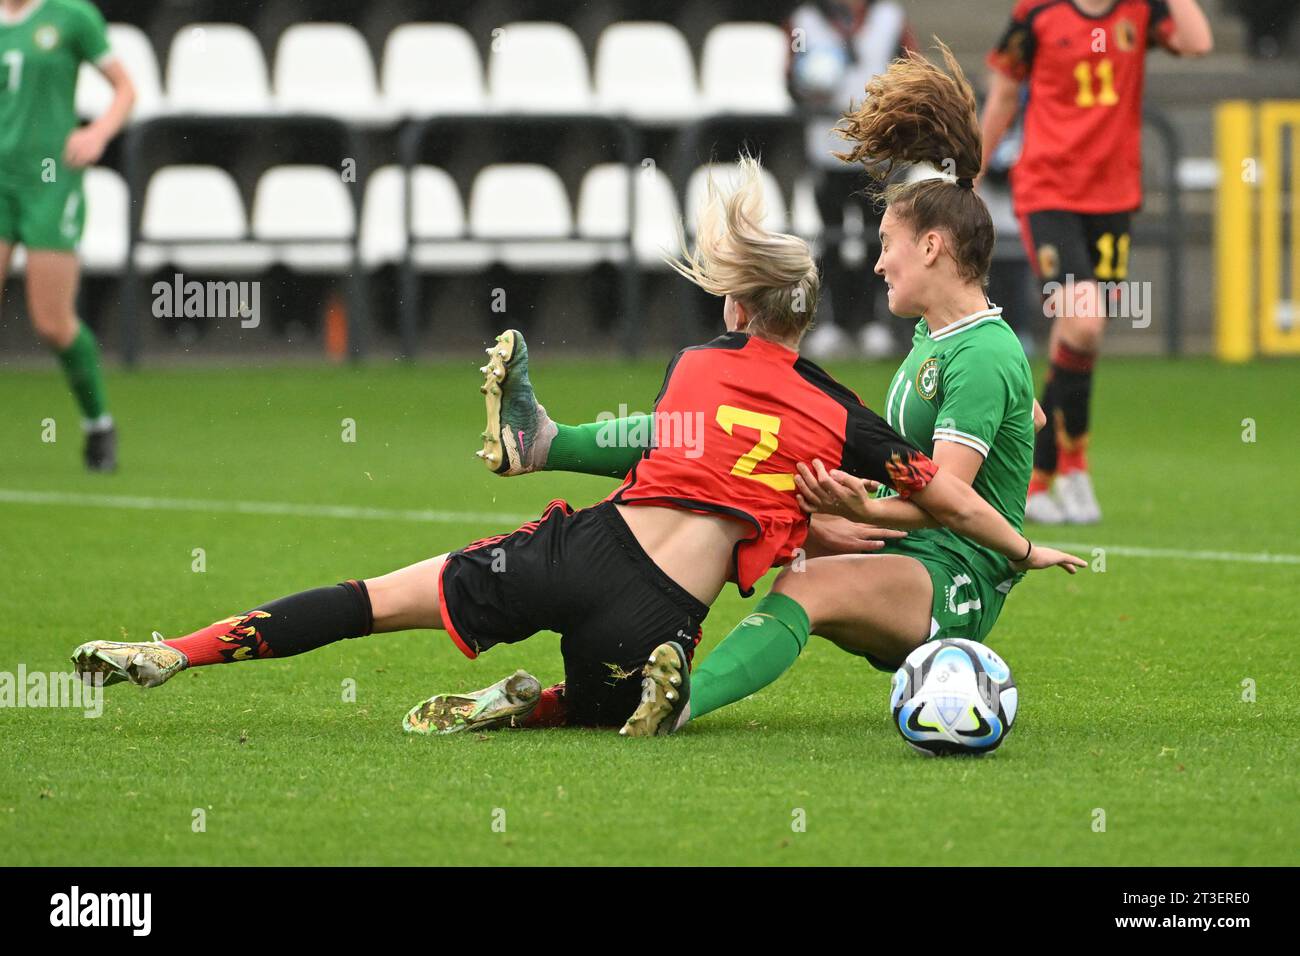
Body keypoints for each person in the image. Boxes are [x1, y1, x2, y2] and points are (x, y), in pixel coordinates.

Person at [71, 158, 1083, 736]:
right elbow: (943, 495)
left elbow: (651, 442)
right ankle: (568, 700)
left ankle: (176, 651)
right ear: (804, 319)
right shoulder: (837, 413)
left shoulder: (695, 370)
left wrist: (550, 443)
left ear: (735, 302)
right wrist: (1025, 540)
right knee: (620, 693)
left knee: (373, 599)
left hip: (581, 552)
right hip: (657, 616)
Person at [439, 45, 1090, 737]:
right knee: (727, 495)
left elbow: (949, 507)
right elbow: (1015, 414)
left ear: (932, 248)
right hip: (907, 544)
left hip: (956, 573)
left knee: (804, 580)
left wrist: (867, 514)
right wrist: (860, 504)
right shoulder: (948, 337)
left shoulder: (981, 352)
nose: (876, 261)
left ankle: (678, 705)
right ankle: (586, 684)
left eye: (887, 243)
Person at [980, 0, 1213, 523]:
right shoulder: (1038, 15)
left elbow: (1198, 43)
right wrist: (970, 173)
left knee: (1077, 333)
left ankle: (1038, 482)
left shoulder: (1140, 11)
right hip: (1049, 190)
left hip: (1113, 197)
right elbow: (1001, 97)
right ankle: (1076, 467)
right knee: (1084, 323)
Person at [0, 0, 135, 471]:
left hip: (49, 182)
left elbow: (124, 89)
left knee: (52, 324)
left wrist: (98, 132)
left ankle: (98, 423)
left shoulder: (71, 16)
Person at [787, 0, 915, 360]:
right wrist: (807, 84)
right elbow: (787, 79)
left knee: (881, 239)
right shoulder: (805, 20)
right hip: (826, 152)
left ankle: (877, 322)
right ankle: (833, 324)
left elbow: (912, 69)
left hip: (877, 156)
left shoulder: (890, 18)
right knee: (830, 238)